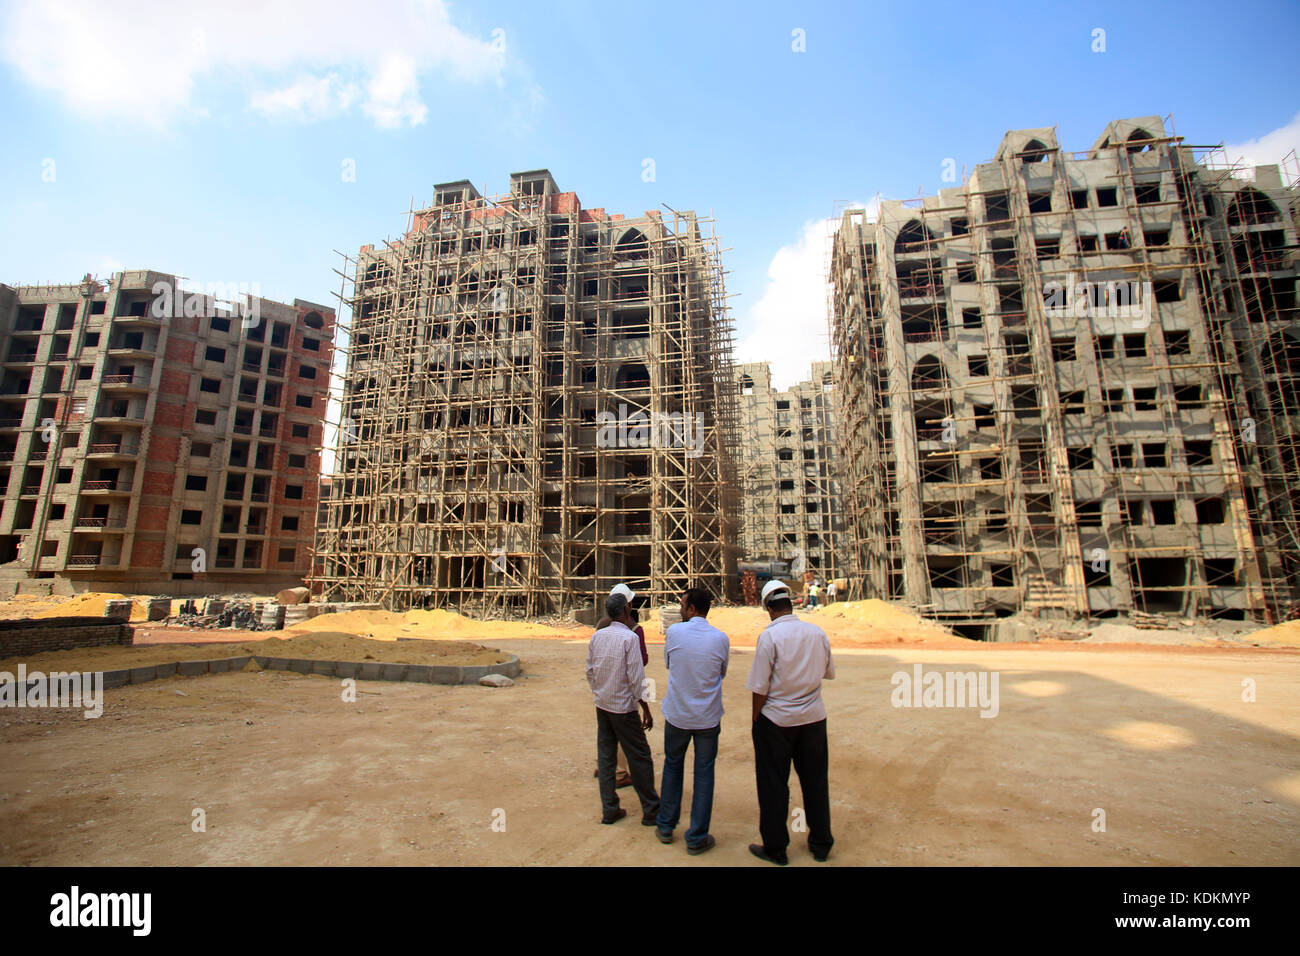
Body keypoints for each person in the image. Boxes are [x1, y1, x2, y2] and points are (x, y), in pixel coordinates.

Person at [746, 579, 836, 865]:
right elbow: (826, 672)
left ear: (768, 609)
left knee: (774, 785)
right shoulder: (816, 632)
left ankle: (776, 847)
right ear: (790, 603)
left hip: (776, 721)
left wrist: (756, 719)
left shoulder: (770, 637)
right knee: (815, 783)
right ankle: (821, 844)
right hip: (813, 719)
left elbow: (759, 687)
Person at [655, 586, 729, 855]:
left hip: (678, 715)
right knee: (704, 774)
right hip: (707, 718)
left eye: (683, 605)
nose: (680, 609)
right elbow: (722, 672)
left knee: (673, 766)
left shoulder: (674, 632)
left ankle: (665, 825)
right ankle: (697, 837)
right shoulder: (721, 638)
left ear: (693, 609)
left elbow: (668, 664)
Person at [586, 590, 660, 826]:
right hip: (624, 709)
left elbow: (590, 671)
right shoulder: (630, 639)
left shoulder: (597, 637)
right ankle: (651, 810)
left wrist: (600, 691)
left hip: (603, 705)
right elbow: (636, 679)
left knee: (607, 758)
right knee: (639, 757)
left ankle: (610, 809)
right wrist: (646, 709)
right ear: (628, 610)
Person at [591, 584, 647, 787]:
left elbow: (593, 660)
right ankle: (620, 772)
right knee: (626, 734)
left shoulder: (601, 625)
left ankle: (605, 766)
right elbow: (641, 662)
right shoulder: (633, 630)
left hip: (603, 689)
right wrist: (645, 703)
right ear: (628, 606)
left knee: (606, 734)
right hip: (624, 692)